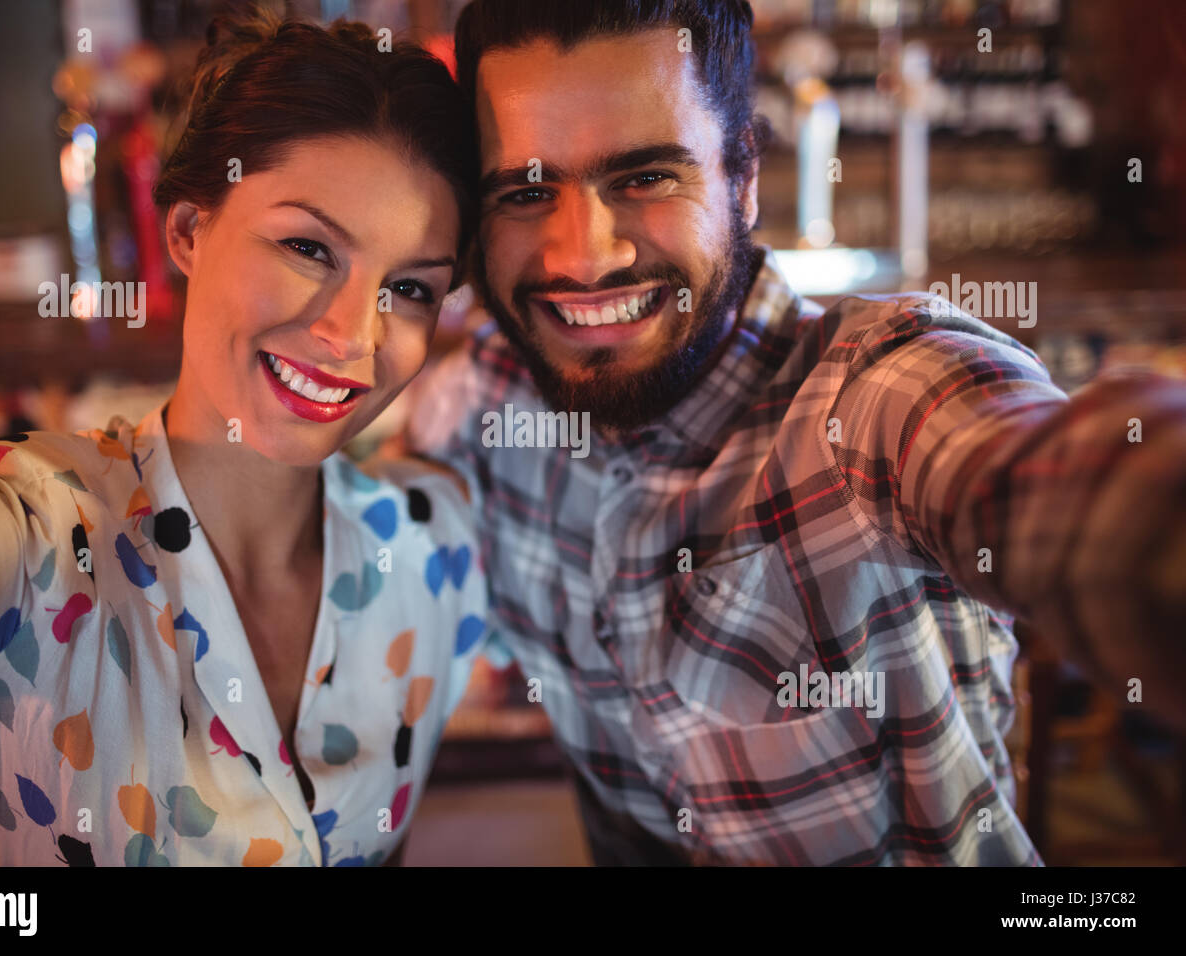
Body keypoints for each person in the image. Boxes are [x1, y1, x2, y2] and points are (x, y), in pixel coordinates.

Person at [396, 0, 1186, 865]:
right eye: (527, 191)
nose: (583, 256)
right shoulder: (485, 398)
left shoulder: (872, 399)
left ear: (743, 181)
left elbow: (1056, 487)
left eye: (647, 177)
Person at [0, 11, 492, 866]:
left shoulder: (433, 554)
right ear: (186, 232)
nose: (355, 335)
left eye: (411, 288)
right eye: (308, 247)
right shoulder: (35, 533)